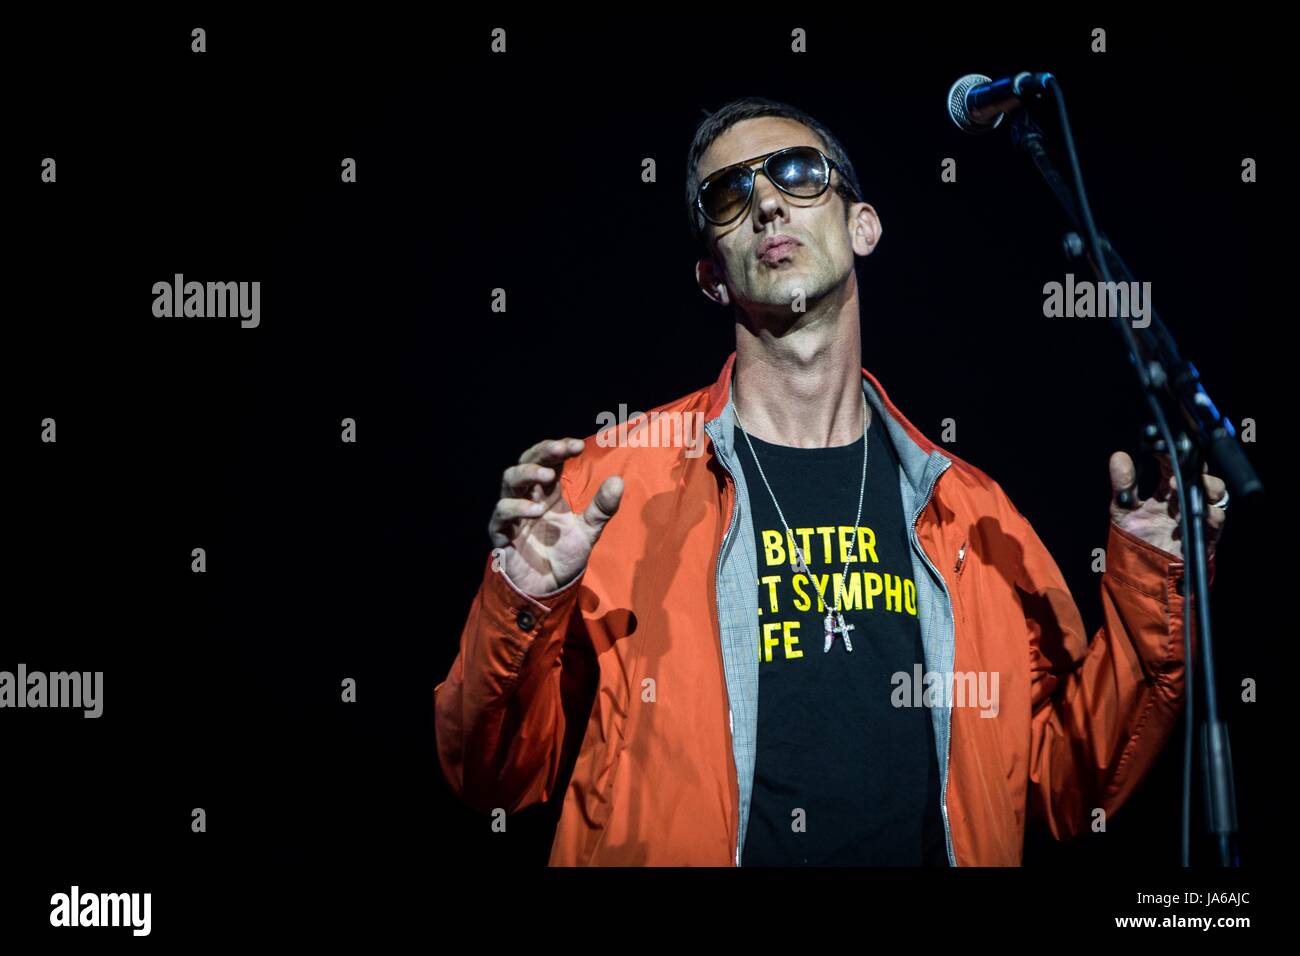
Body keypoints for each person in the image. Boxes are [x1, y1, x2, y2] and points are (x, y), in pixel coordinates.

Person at [434, 96, 1227, 866]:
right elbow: (493, 779)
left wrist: (1156, 578)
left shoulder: (972, 511)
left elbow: (1071, 786)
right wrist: (522, 601)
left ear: (863, 225)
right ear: (712, 275)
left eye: (797, 173)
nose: (769, 203)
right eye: (729, 193)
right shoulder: (610, 487)